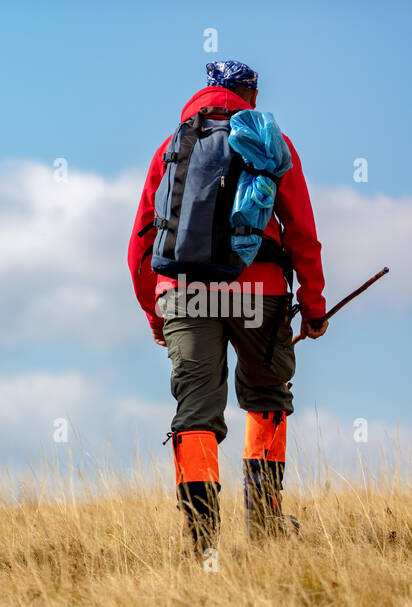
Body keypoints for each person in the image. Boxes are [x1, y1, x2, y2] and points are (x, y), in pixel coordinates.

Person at [127, 61, 327, 556]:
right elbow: (300, 229)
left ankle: (202, 541)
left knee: (195, 411)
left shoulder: (172, 146)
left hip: (185, 292)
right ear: (249, 94)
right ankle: (265, 524)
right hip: (261, 293)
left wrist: (157, 314)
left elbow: (140, 245)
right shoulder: (270, 141)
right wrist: (314, 302)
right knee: (266, 399)